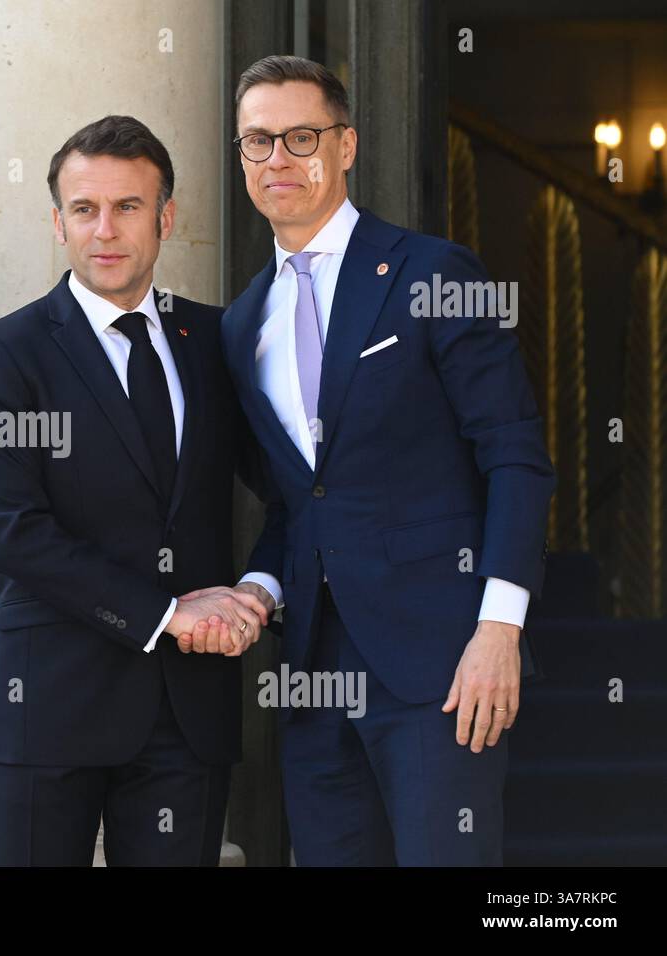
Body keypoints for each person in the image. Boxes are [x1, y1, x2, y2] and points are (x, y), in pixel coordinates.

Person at [219, 56, 555, 865]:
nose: (278, 160)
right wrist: (255, 590)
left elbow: (515, 456)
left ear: (347, 146)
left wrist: (498, 630)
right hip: (312, 677)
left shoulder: (432, 273)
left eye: (302, 137)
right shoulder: (242, 325)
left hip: (443, 663)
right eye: (257, 142)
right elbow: (300, 502)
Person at [0, 115, 270, 866]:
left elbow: (292, 488)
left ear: (165, 218)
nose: (106, 229)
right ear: (57, 223)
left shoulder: (215, 342)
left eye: (128, 207)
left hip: (186, 712)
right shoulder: (2, 353)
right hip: (46, 705)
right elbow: (14, 531)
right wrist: (165, 613)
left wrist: (257, 591)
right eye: (85, 209)